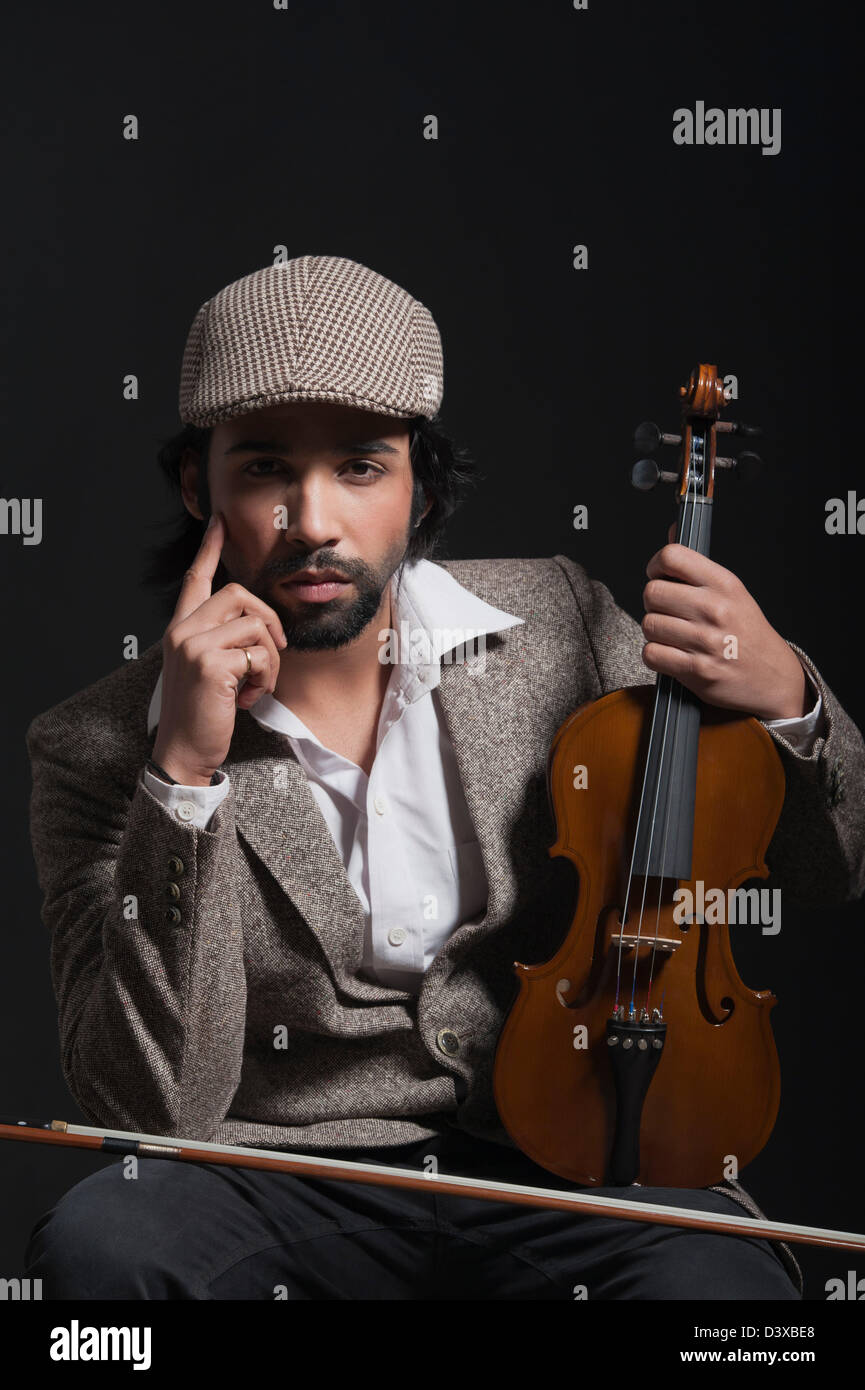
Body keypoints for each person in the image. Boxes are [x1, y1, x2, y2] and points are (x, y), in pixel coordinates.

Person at [22, 256, 865, 1300]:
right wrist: (183, 775)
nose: (314, 521)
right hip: (274, 1176)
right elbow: (149, 1109)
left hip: (576, 1152)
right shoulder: (93, 746)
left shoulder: (558, 622)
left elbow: (830, 869)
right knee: (101, 1255)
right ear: (198, 484)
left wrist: (785, 694)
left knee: (725, 1302)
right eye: (265, 469)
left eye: (361, 467)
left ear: (420, 477)